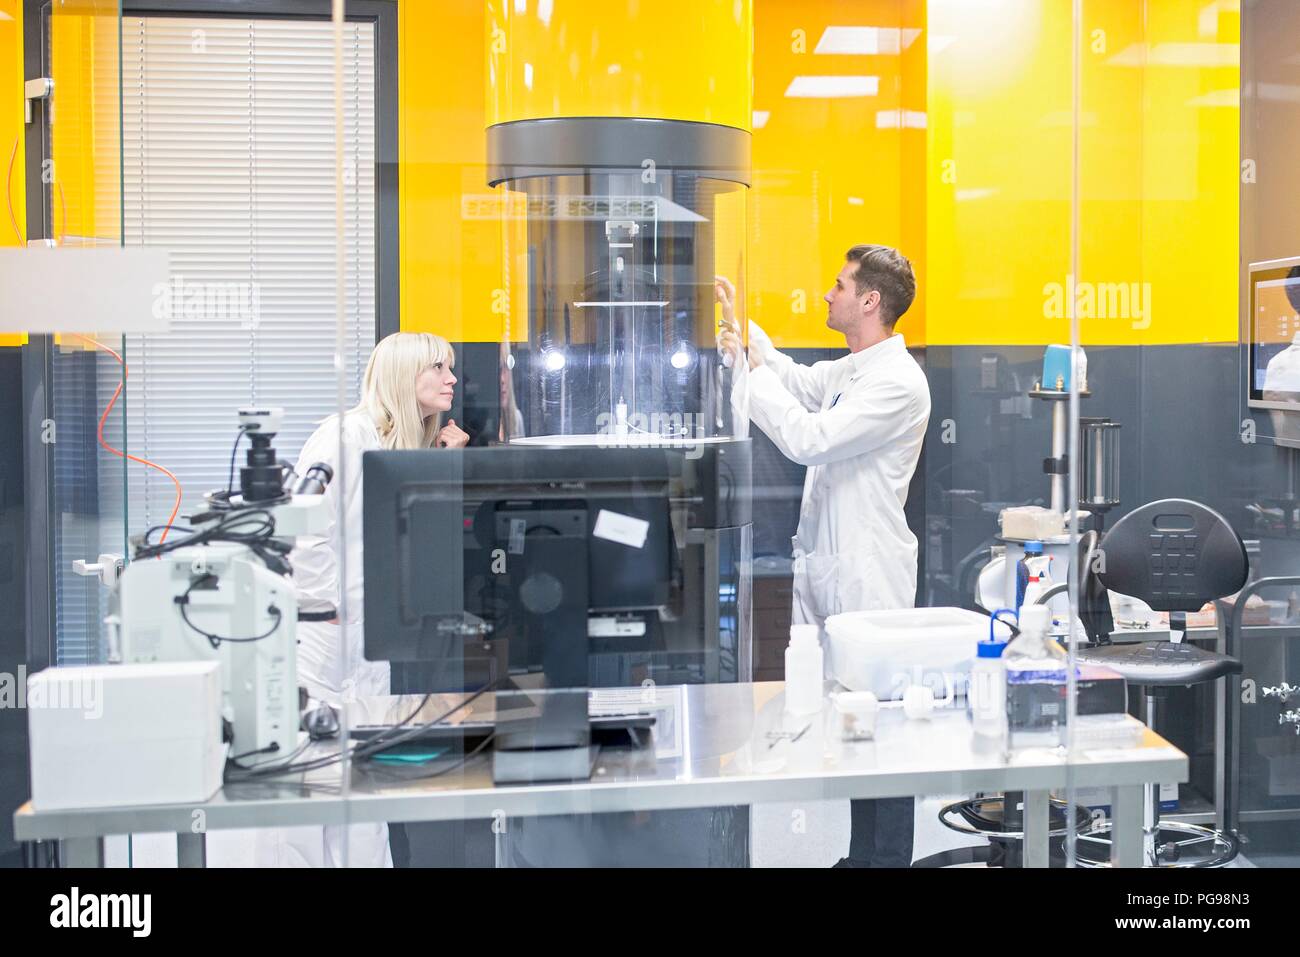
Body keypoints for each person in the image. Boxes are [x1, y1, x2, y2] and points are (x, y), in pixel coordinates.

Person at [717, 244, 931, 868]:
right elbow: (799, 382)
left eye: (839, 286)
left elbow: (811, 439)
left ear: (870, 300)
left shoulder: (897, 381)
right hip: (835, 568)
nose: (827, 294)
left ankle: (886, 861)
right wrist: (745, 333)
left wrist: (753, 375)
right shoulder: (855, 370)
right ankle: (859, 857)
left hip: (869, 576)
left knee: (882, 733)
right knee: (850, 724)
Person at [256, 331, 470, 867]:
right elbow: (304, 533)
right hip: (322, 642)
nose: (452, 378)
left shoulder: (403, 448)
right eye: (439, 368)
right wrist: (330, 609)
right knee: (309, 801)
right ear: (404, 374)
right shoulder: (344, 435)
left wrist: (443, 465)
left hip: (368, 648)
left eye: (451, 368)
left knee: (363, 802)